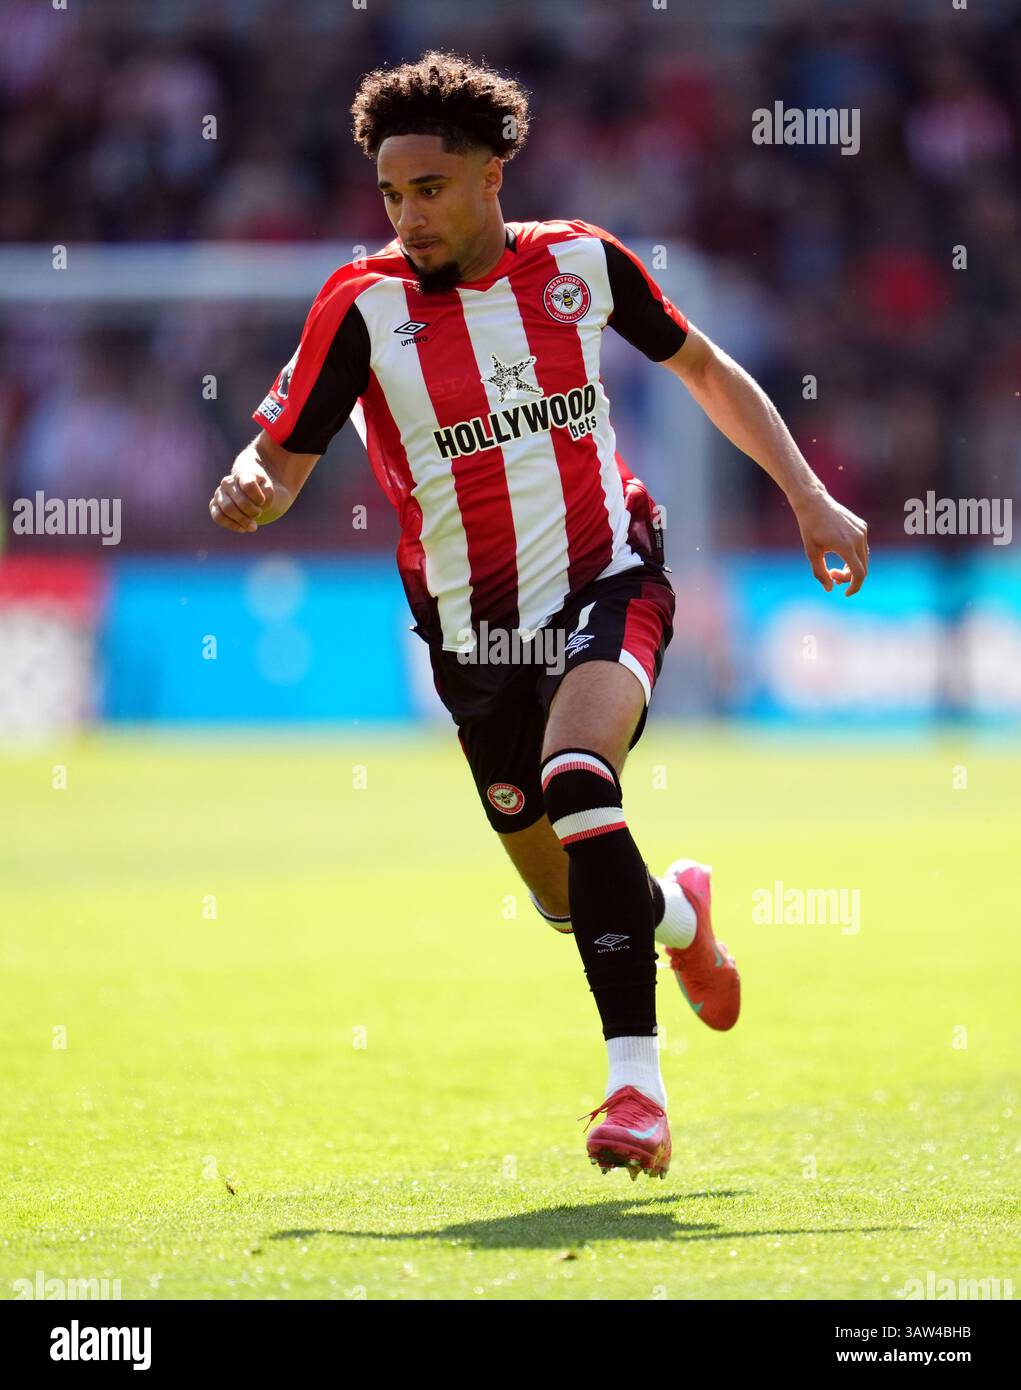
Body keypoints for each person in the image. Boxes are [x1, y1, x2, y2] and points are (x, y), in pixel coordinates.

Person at [208, 51, 869, 1180]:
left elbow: (704, 368)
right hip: (472, 636)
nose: (408, 215)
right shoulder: (359, 309)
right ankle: (677, 915)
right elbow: (278, 456)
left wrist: (807, 495)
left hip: (610, 574)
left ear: (491, 174)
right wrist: (251, 489)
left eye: (430, 188)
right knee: (566, 895)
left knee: (578, 777)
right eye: (390, 194)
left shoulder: (580, 264)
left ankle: (636, 1091)